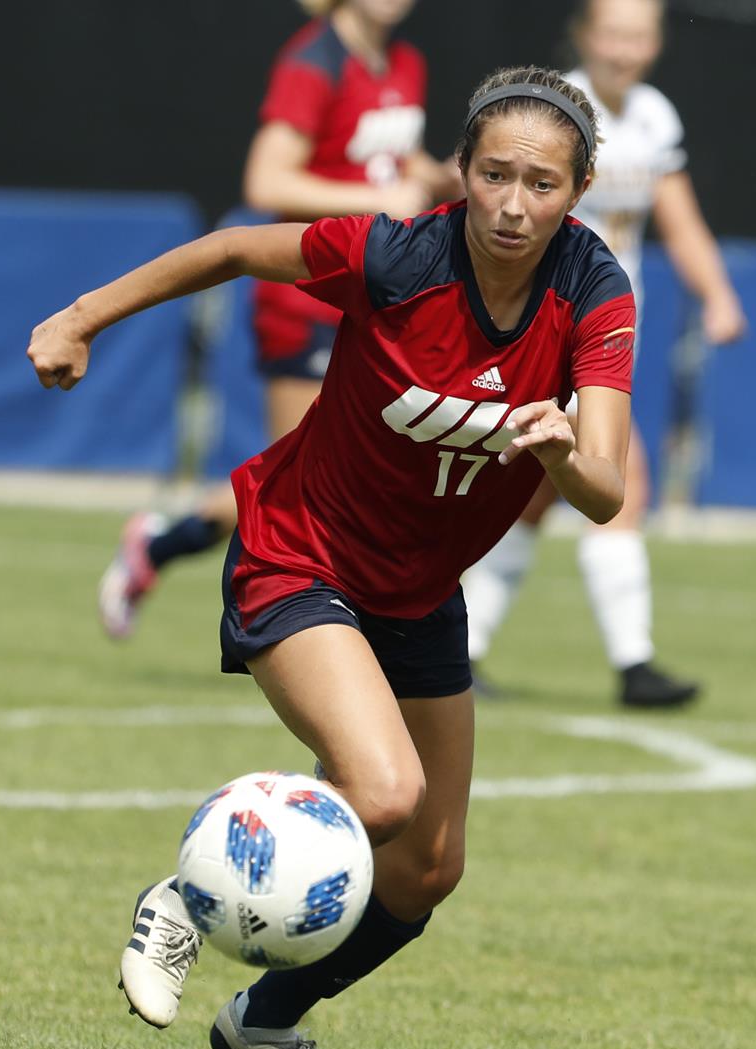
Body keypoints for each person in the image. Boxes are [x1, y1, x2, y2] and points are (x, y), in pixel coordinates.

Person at [30, 66, 630, 1049]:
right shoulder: (397, 255)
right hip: (298, 552)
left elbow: (607, 489)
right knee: (385, 791)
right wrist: (82, 316)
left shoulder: (590, 288)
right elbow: (228, 250)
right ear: (460, 170)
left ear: (577, 190)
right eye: (493, 175)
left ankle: (258, 1025)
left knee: (427, 868)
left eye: (540, 183)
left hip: (417, 591)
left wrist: (563, 451)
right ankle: (182, 893)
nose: (512, 204)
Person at [96, 0, 457, 641]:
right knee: (307, 477)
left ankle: (162, 546)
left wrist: (453, 178)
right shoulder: (312, 61)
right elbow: (266, 182)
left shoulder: (404, 62)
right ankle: (292, 623)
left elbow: (383, 160)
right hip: (309, 296)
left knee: (331, 473)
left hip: (375, 296)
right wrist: (381, 200)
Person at [461, 0, 746, 709]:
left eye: (640, 35)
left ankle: (458, 652)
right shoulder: (549, 110)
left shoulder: (653, 118)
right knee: (621, 482)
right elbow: (471, 177)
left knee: (529, 501)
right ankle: (634, 664)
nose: (625, 49)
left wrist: (715, 294)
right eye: (612, 33)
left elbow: (677, 221)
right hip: (551, 327)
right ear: (584, 36)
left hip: (606, 333)